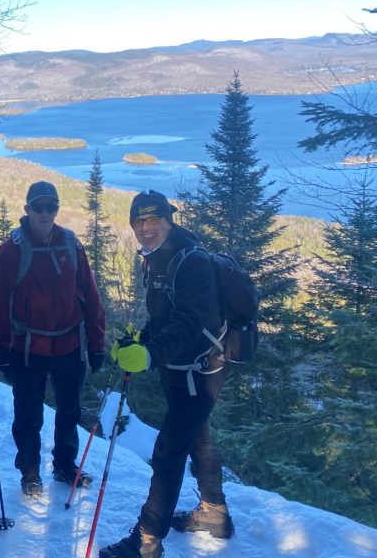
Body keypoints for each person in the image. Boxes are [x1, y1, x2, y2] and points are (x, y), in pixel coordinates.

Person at [99, 190, 232, 558]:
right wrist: (140, 338)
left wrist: (149, 354)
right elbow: (165, 316)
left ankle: (146, 540)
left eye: (154, 219)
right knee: (197, 437)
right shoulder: (155, 259)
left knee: (168, 452)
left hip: (200, 370)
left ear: (169, 220)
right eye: (139, 221)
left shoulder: (192, 262)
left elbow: (191, 322)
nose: (146, 227)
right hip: (183, 365)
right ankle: (214, 512)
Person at [0, 181, 107, 497]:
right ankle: (29, 472)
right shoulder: (12, 248)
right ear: (26, 210)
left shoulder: (71, 243)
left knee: (70, 411)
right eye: (38, 207)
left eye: (50, 207)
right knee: (28, 414)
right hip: (28, 348)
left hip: (69, 345)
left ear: (57, 209)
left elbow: (91, 295)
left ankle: (65, 466)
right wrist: (1, 348)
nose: (44, 213)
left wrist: (96, 344)